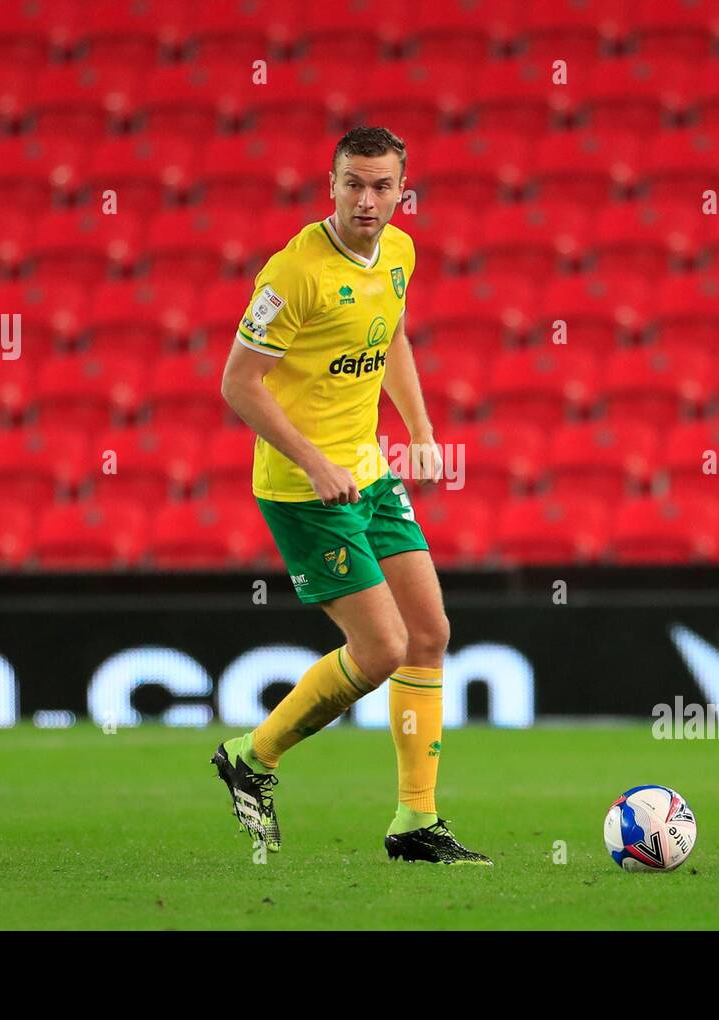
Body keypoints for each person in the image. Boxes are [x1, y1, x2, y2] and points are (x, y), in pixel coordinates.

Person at [210, 126, 491, 865]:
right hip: (304, 490)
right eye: (353, 184)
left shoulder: (398, 252)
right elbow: (238, 382)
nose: (367, 200)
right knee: (381, 648)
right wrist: (311, 461)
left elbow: (389, 334)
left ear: (404, 191)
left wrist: (422, 429)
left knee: (429, 633)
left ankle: (415, 824)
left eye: (381, 186)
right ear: (329, 185)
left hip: (369, 474)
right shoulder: (293, 273)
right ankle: (253, 756)